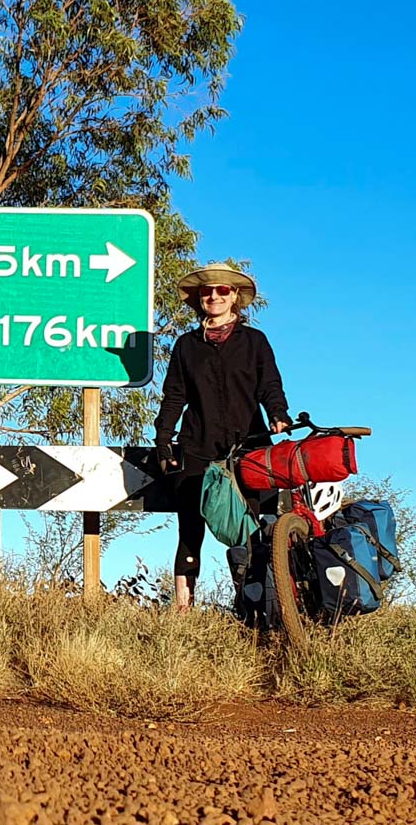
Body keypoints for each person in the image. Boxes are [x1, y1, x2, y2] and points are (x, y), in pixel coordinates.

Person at [152, 262, 291, 612]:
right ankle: (184, 608)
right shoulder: (186, 346)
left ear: (235, 298)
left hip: (250, 448)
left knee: (257, 532)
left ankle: (255, 607)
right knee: (189, 530)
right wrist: (164, 437)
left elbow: (269, 386)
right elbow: (174, 395)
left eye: (222, 290)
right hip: (197, 448)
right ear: (199, 299)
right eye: (207, 291)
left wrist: (278, 414)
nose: (213, 296)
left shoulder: (255, 342)